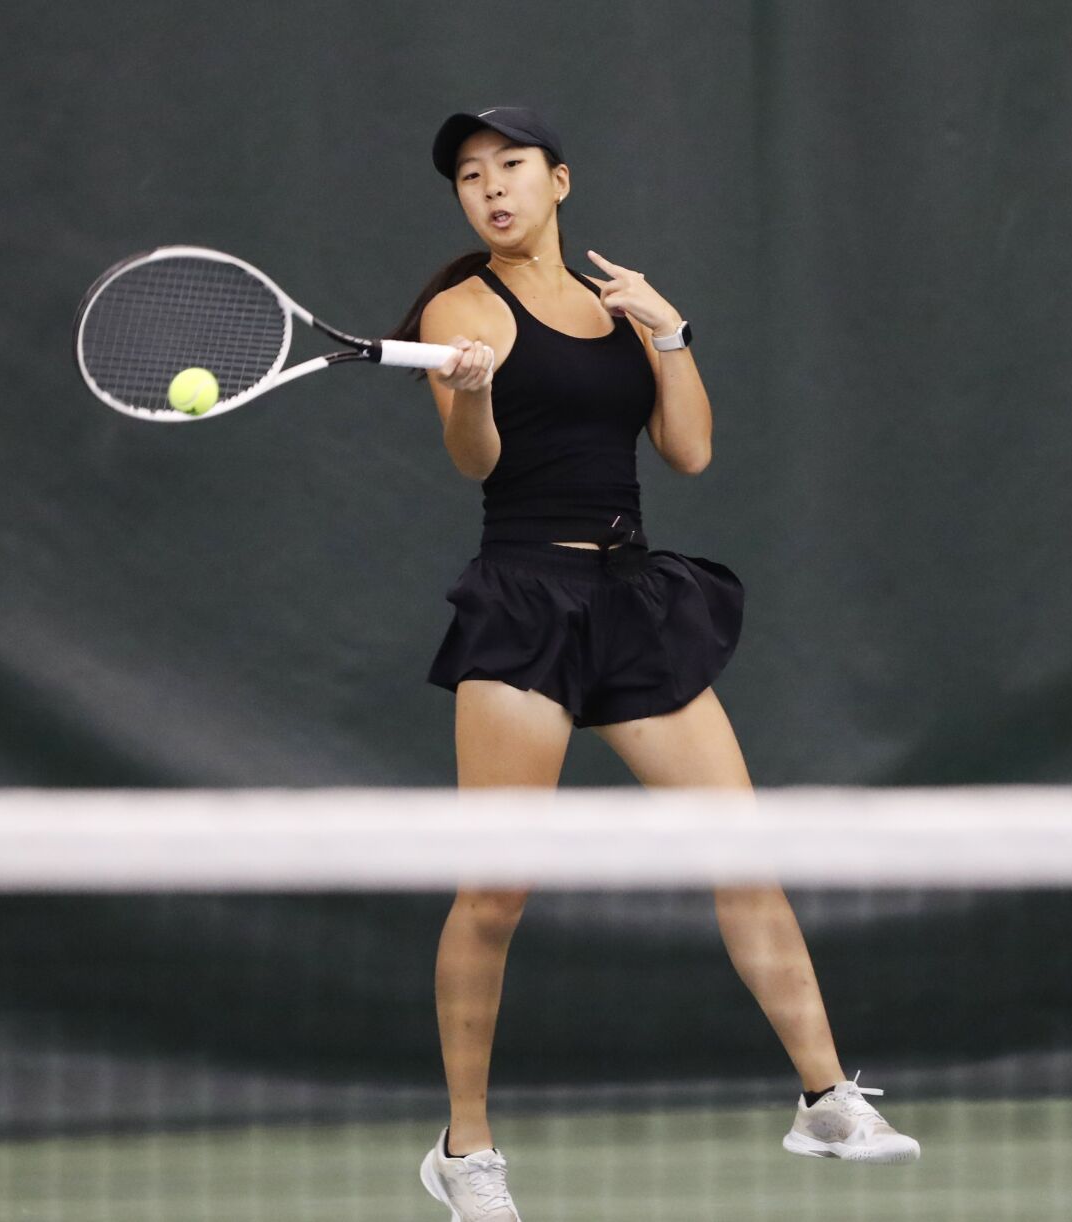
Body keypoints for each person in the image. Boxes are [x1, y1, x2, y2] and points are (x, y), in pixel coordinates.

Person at [388, 106, 920, 1221]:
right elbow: (471, 459)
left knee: (741, 849)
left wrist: (669, 334)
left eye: (512, 168)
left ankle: (824, 1097)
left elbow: (689, 450)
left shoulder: (616, 303)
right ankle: (464, 1150)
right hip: (522, 600)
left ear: (560, 180)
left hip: (630, 595)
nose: (491, 189)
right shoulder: (458, 307)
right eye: (470, 176)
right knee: (495, 893)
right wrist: (474, 390)